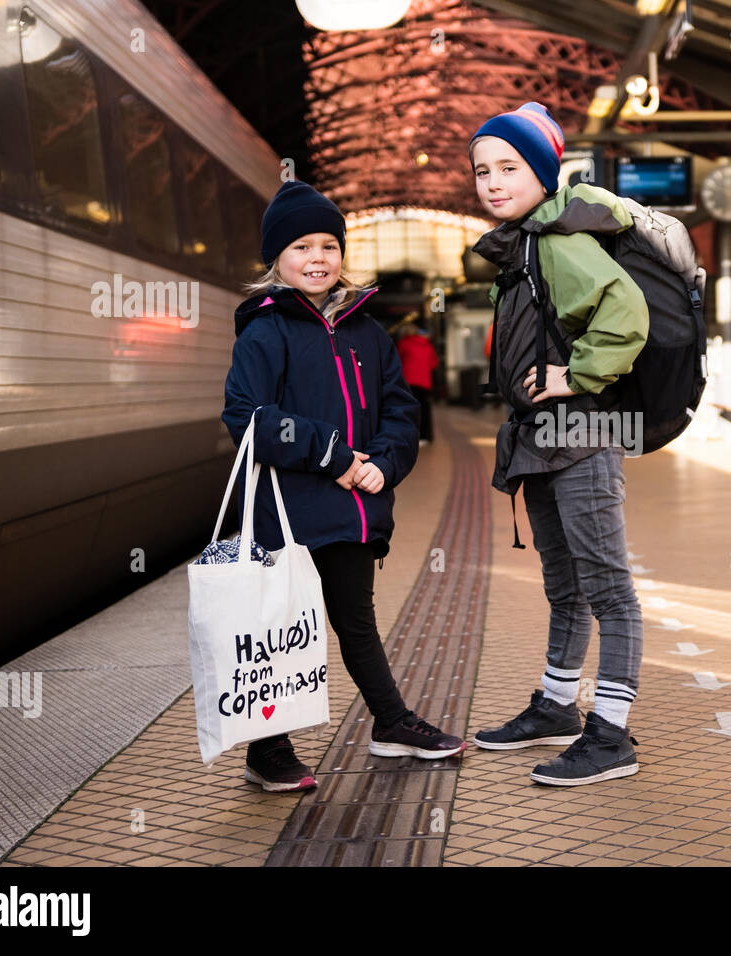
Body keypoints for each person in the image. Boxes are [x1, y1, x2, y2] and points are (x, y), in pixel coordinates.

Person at [221, 180, 464, 793]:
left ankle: (391, 723)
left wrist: (385, 462)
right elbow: (246, 417)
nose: (317, 257)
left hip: (355, 509)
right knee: (279, 630)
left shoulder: (367, 333)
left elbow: (399, 410)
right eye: (301, 246)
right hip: (288, 509)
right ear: (276, 258)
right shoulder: (264, 332)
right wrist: (334, 456)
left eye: (328, 244)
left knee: (355, 620)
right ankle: (267, 750)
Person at [467, 102, 648, 786]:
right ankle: (556, 704)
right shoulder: (525, 244)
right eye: (483, 170)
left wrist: (576, 373)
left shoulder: (558, 242)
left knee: (606, 586)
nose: (492, 181)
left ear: (543, 172)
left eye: (509, 167)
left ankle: (611, 733)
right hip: (540, 437)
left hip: (582, 432)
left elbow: (625, 312)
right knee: (564, 583)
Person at [395, 321, 439, 444]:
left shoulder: (404, 343)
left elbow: (397, 362)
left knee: (409, 409)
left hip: (408, 382)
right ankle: (427, 436)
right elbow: (434, 364)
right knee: (425, 409)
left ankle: (411, 436)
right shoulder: (427, 345)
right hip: (425, 383)